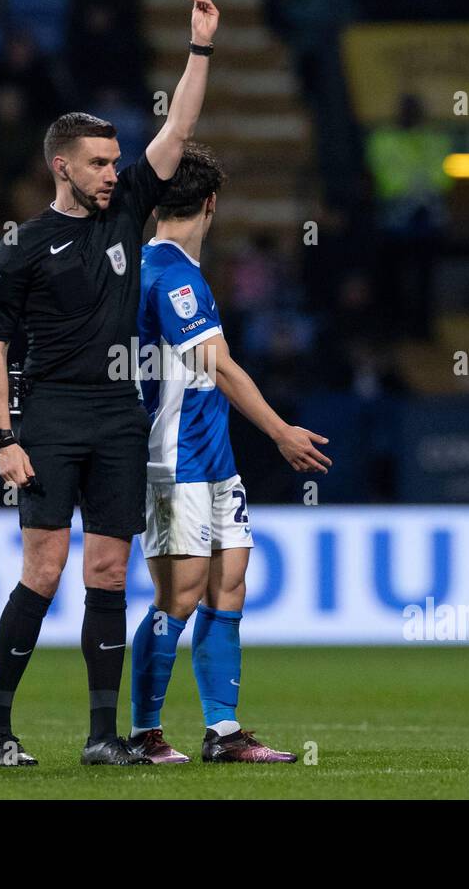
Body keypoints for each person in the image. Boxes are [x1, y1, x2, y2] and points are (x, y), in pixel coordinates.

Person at [0, 0, 221, 767]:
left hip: (120, 415)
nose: (115, 172)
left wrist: (200, 49)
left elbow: (180, 127)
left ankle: (103, 736)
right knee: (43, 571)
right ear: (62, 168)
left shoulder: (126, 213)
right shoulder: (22, 247)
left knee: (109, 570)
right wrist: (4, 438)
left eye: (117, 160)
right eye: (100, 163)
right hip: (48, 416)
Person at [128, 142, 331, 763]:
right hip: (175, 458)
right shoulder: (171, 275)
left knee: (229, 586)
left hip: (212, 456)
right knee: (180, 595)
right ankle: (143, 735)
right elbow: (219, 367)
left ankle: (223, 733)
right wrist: (280, 430)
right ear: (210, 204)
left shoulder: (155, 269)